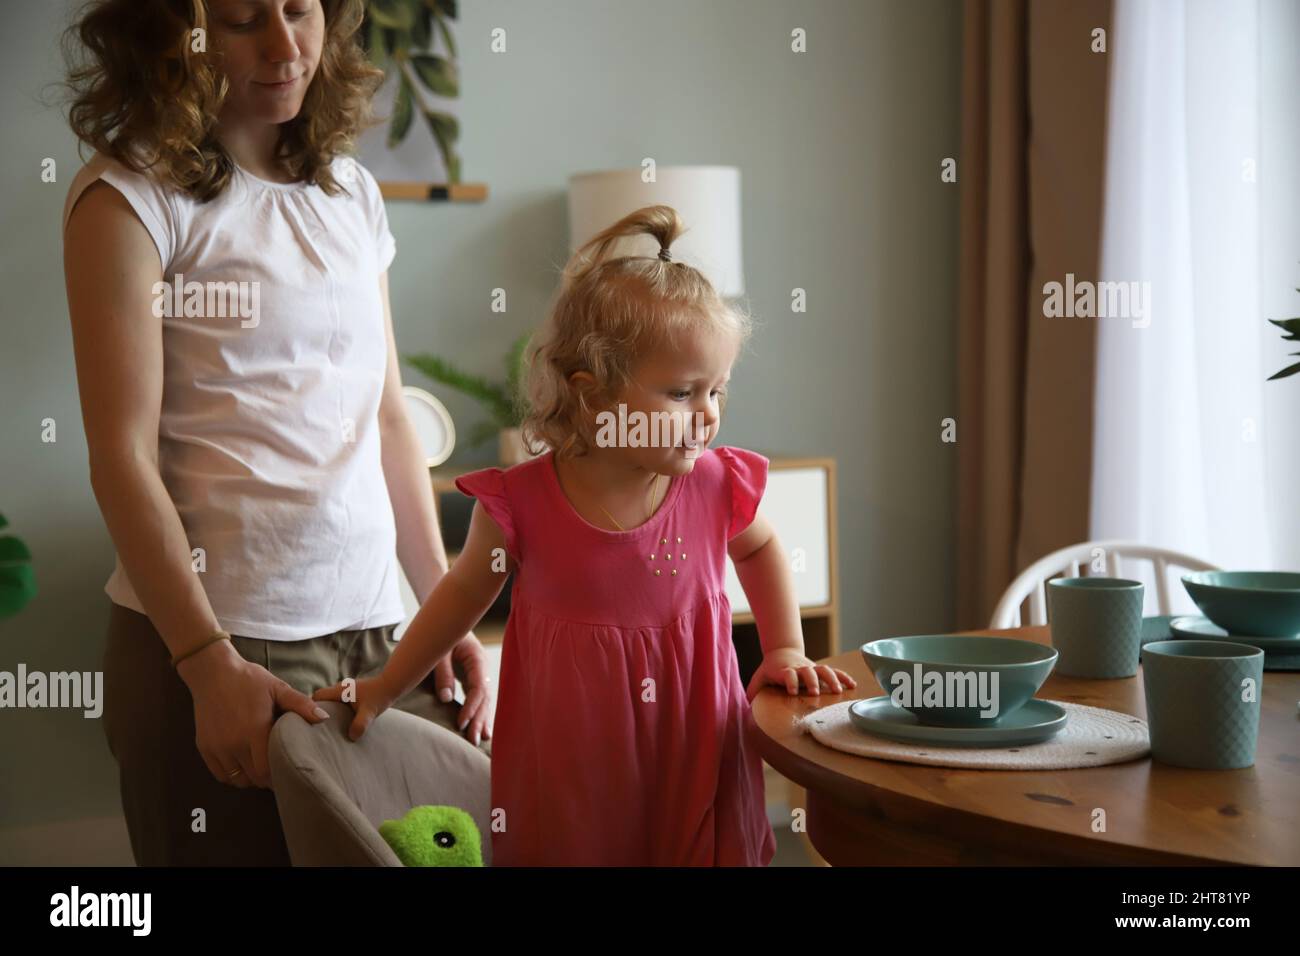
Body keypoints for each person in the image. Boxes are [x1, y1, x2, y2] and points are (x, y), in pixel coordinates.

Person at [59, 0, 492, 866]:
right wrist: (205, 663)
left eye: (301, 10)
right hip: (226, 639)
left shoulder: (349, 190)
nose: (285, 44)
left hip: (381, 636)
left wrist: (441, 613)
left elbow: (388, 415)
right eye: (242, 18)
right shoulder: (129, 196)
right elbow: (120, 459)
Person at [315, 204, 858, 866]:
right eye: (684, 393)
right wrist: (384, 685)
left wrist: (783, 649)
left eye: (718, 390)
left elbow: (763, 548)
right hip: (570, 758)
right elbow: (461, 596)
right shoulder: (525, 500)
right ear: (593, 393)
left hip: (690, 740)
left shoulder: (713, 482)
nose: (709, 415)